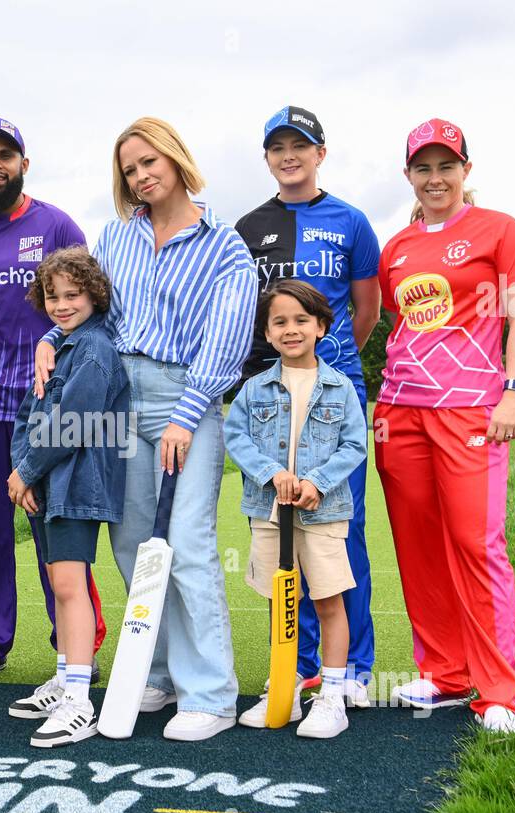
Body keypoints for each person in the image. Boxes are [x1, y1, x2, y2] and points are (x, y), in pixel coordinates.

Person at [35, 117, 258, 741]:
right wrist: (52, 339)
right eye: (129, 168)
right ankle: (155, 675)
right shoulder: (116, 236)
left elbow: (230, 339)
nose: (140, 175)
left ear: (176, 158)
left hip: (186, 397)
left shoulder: (225, 246)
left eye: (149, 160)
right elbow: (89, 304)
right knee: (132, 546)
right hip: (118, 396)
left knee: (184, 545)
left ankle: (210, 693)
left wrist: (187, 415)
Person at [375, 119, 515, 734]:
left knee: (476, 543)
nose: (435, 177)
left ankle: (499, 689)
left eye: (447, 166)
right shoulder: (397, 248)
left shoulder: (501, 230)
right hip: (400, 410)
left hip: (472, 408)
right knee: (418, 546)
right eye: (424, 167)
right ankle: (444, 672)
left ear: (466, 170)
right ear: (409, 176)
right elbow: (404, 325)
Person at [0, 117, 106, 683]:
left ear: (24, 163)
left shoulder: (55, 224)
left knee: (55, 520)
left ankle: (76, 641)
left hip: (45, 404)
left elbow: (88, 300)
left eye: (6, 154)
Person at [233, 106, 382, 716]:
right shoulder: (248, 225)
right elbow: (243, 309)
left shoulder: (350, 219)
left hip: (332, 389)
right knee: (280, 537)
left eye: (301, 145)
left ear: (321, 152)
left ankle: (351, 673)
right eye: (278, 147)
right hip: (269, 395)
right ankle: (292, 671)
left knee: (340, 534)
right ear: (267, 157)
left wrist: (335, 361)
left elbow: (368, 309)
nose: (289, 155)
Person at [224, 280, 367, 738]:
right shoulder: (254, 389)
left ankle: (332, 696)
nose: (291, 329)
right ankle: (283, 690)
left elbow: (354, 444)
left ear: (321, 327)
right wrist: (271, 473)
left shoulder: (340, 387)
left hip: (322, 514)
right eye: (279, 322)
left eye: (301, 320)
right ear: (266, 333)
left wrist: (317, 483)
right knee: (281, 601)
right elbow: (237, 437)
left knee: (327, 601)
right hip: (269, 513)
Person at [8, 247, 129, 746]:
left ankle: (79, 701)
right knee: (59, 583)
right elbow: (29, 412)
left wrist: (29, 469)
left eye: (73, 295)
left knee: (71, 586)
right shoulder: (60, 346)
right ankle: (65, 677)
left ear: (94, 296)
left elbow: (72, 425)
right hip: (46, 483)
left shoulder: (96, 351)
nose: (62, 305)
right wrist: (23, 471)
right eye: (53, 296)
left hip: (77, 483)